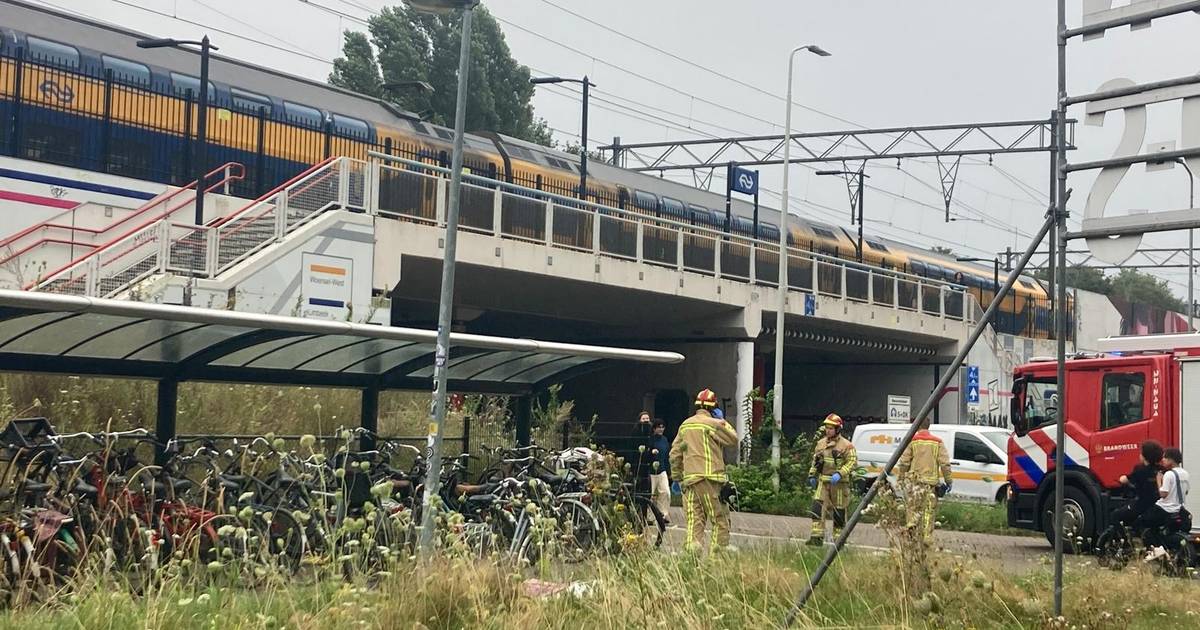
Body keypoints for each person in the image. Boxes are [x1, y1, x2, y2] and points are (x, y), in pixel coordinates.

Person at [669, 388, 738, 553]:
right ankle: (715, 561)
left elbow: (674, 454)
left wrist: (677, 477)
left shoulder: (686, 425)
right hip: (711, 480)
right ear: (714, 407)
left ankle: (691, 560)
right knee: (719, 521)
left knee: (694, 523)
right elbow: (733, 439)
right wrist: (722, 421)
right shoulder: (714, 424)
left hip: (690, 482)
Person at [893, 418, 952, 592]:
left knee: (912, 511)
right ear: (929, 426)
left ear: (917, 426)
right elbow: (945, 463)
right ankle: (925, 542)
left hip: (914, 484)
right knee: (927, 513)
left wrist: (901, 479)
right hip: (930, 486)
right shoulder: (937, 442)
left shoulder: (912, 441)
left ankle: (911, 535)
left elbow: (904, 462)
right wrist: (949, 480)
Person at [1097, 440, 1162, 547]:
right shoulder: (1161, 469)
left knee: (1115, 516)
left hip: (1141, 505)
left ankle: (1125, 542)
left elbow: (1125, 480)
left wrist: (1122, 478)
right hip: (1155, 506)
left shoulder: (1140, 469)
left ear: (1144, 456)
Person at [806, 413, 857, 546]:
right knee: (816, 509)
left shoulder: (847, 445)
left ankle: (839, 541)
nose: (827, 431)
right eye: (826, 428)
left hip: (839, 484)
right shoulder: (821, 443)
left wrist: (840, 473)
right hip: (823, 482)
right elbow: (816, 461)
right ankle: (816, 538)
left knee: (839, 512)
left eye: (831, 428)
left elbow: (852, 462)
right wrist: (812, 475)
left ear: (837, 429)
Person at [1142, 447, 1190, 561]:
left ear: (1171, 460)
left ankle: (1154, 550)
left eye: (1165, 458)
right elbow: (1186, 491)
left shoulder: (1169, 474)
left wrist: (1159, 480)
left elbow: (1163, 494)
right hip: (1178, 509)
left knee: (1142, 522)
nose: (1162, 460)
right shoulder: (1185, 473)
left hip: (1164, 509)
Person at [648, 419, 672, 523]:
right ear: (654, 428)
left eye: (662, 427)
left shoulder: (665, 440)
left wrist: (669, 471)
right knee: (651, 495)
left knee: (666, 492)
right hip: (651, 471)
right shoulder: (650, 439)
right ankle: (649, 516)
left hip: (662, 470)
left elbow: (667, 457)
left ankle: (663, 514)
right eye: (659, 427)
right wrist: (651, 452)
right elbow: (646, 453)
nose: (661, 429)